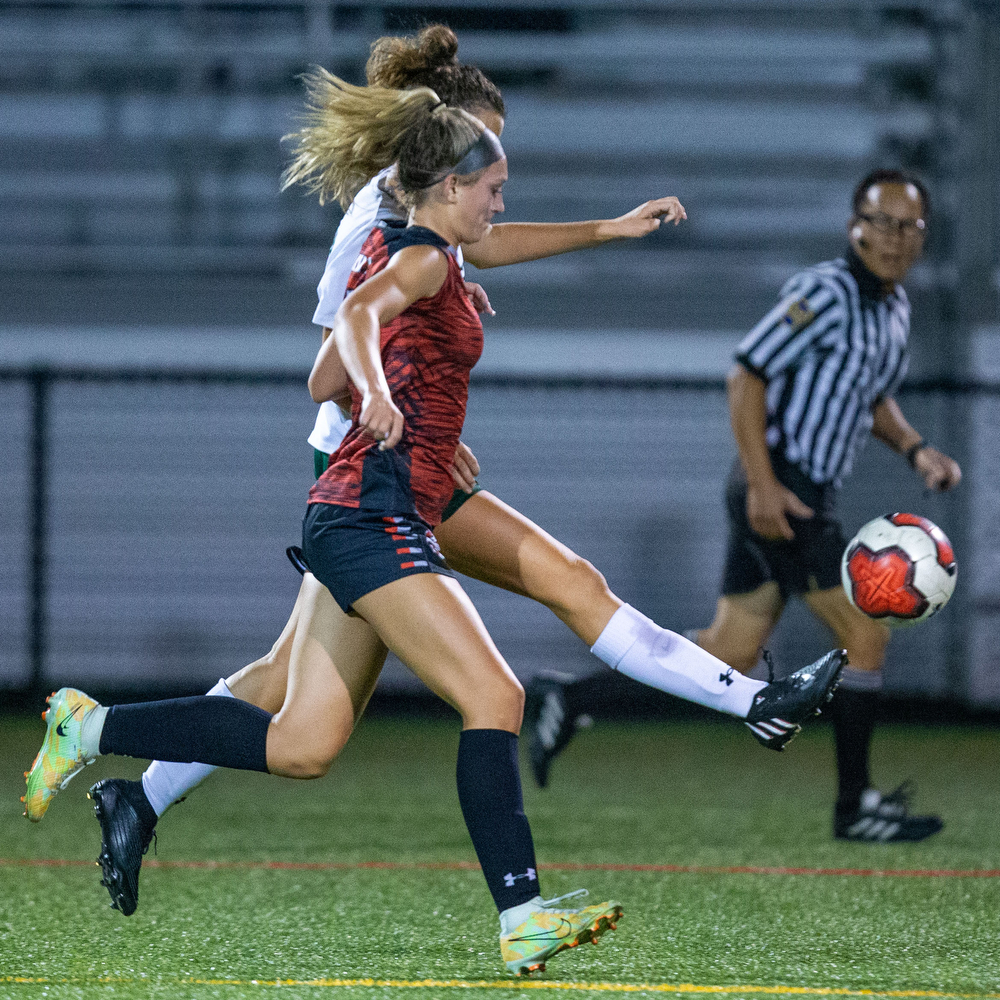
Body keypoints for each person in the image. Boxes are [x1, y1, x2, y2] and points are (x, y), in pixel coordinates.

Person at [27, 32, 842, 937]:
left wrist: (605, 231)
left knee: (302, 725)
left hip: (391, 479)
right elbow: (342, 347)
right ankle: (718, 734)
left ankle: (117, 770)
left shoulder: (434, 231)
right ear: (444, 166)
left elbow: (463, 262)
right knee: (507, 655)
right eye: (489, 172)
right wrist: (396, 399)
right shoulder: (384, 235)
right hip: (367, 481)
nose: (500, 193)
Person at [525, 170, 961, 845]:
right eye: (881, 222)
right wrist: (762, 484)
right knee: (866, 634)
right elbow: (747, 373)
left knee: (726, 650)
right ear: (855, 225)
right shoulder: (826, 293)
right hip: (782, 489)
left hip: (806, 490)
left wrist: (916, 449)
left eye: (909, 226)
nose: (894, 238)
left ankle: (571, 698)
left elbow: (871, 396)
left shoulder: (894, 308)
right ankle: (856, 807)